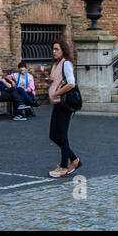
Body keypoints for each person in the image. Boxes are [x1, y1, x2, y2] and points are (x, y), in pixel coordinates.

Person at [47, 37, 80, 177]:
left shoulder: (66, 63)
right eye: (53, 49)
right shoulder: (56, 64)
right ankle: (74, 159)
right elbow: (60, 80)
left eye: (57, 49)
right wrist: (51, 81)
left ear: (63, 51)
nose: (54, 52)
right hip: (56, 104)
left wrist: (56, 92)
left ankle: (63, 166)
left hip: (64, 104)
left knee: (62, 134)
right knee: (53, 135)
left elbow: (71, 83)